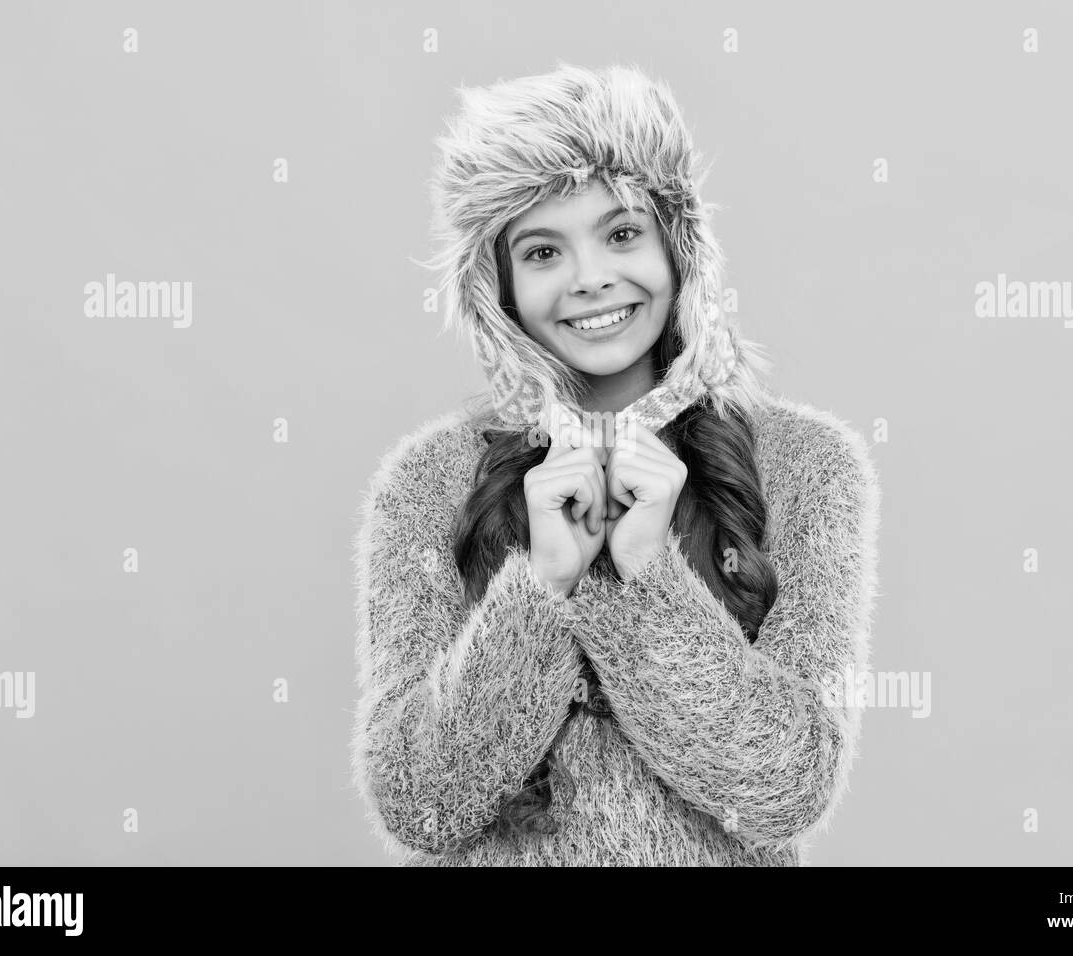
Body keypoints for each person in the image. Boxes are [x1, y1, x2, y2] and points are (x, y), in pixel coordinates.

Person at [350, 61, 882, 866]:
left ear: (679, 249)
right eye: (541, 251)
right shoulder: (428, 481)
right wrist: (541, 588)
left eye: (622, 233)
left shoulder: (805, 466)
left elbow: (785, 789)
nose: (591, 277)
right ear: (498, 288)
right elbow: (423, 807)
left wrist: (646, 578)